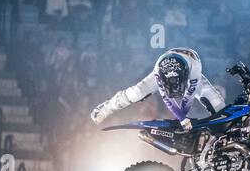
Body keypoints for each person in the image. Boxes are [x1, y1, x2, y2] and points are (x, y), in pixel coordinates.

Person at [89, 48, 231, 128]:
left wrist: (183, 117)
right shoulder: (159, 71)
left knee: (218, 105)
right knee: (137, 92)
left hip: (190, 69)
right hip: (167, 69)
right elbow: (167, 98)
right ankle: (106, 107)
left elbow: (189, 96)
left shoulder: (194, 69)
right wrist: (182, 119)